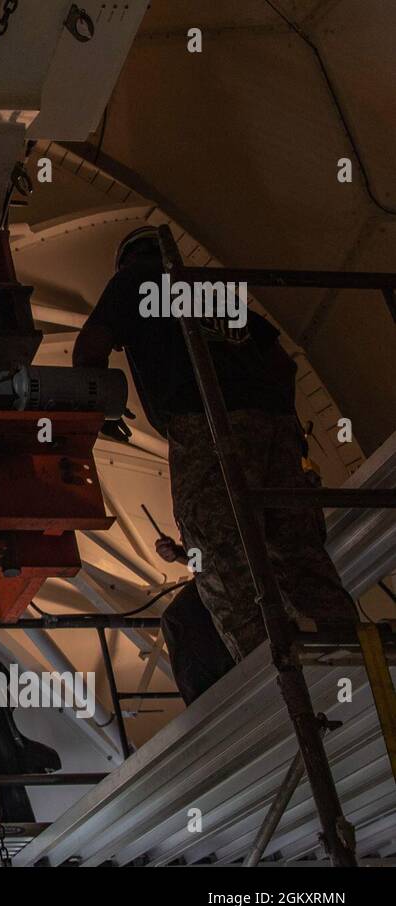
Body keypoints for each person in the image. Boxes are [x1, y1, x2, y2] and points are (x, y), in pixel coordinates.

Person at [73, 227, 357, 661]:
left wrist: (98, 412)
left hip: (204, 424)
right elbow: (282, 364)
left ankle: (268, 667)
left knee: (220, 550)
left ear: (127, 260)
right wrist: (279, 424)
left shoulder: (132, 282)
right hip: (275, 428)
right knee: (296, 544)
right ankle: (351, 651)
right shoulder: (211, 289)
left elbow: (90, 347)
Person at [152, 535, 234, 704]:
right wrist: (177, 553)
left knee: (178, 617)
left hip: (236, 575)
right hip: (220, 575)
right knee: (175, 618)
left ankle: (203, 704)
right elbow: (201, 559)